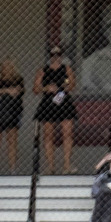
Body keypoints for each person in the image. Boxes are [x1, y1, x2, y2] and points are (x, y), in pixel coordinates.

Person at [36, 44, 78, 176]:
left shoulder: (67, 69)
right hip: (48, 102)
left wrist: (63, 88)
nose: (55, 57)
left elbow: (72, 85)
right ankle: (50, 166)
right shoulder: (43, 70)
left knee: (67, 133)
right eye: (53, 55)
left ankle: (67, 165)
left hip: (63, 100)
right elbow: (35, 88)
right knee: (48, 135)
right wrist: (46, 88)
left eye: (58, 55)